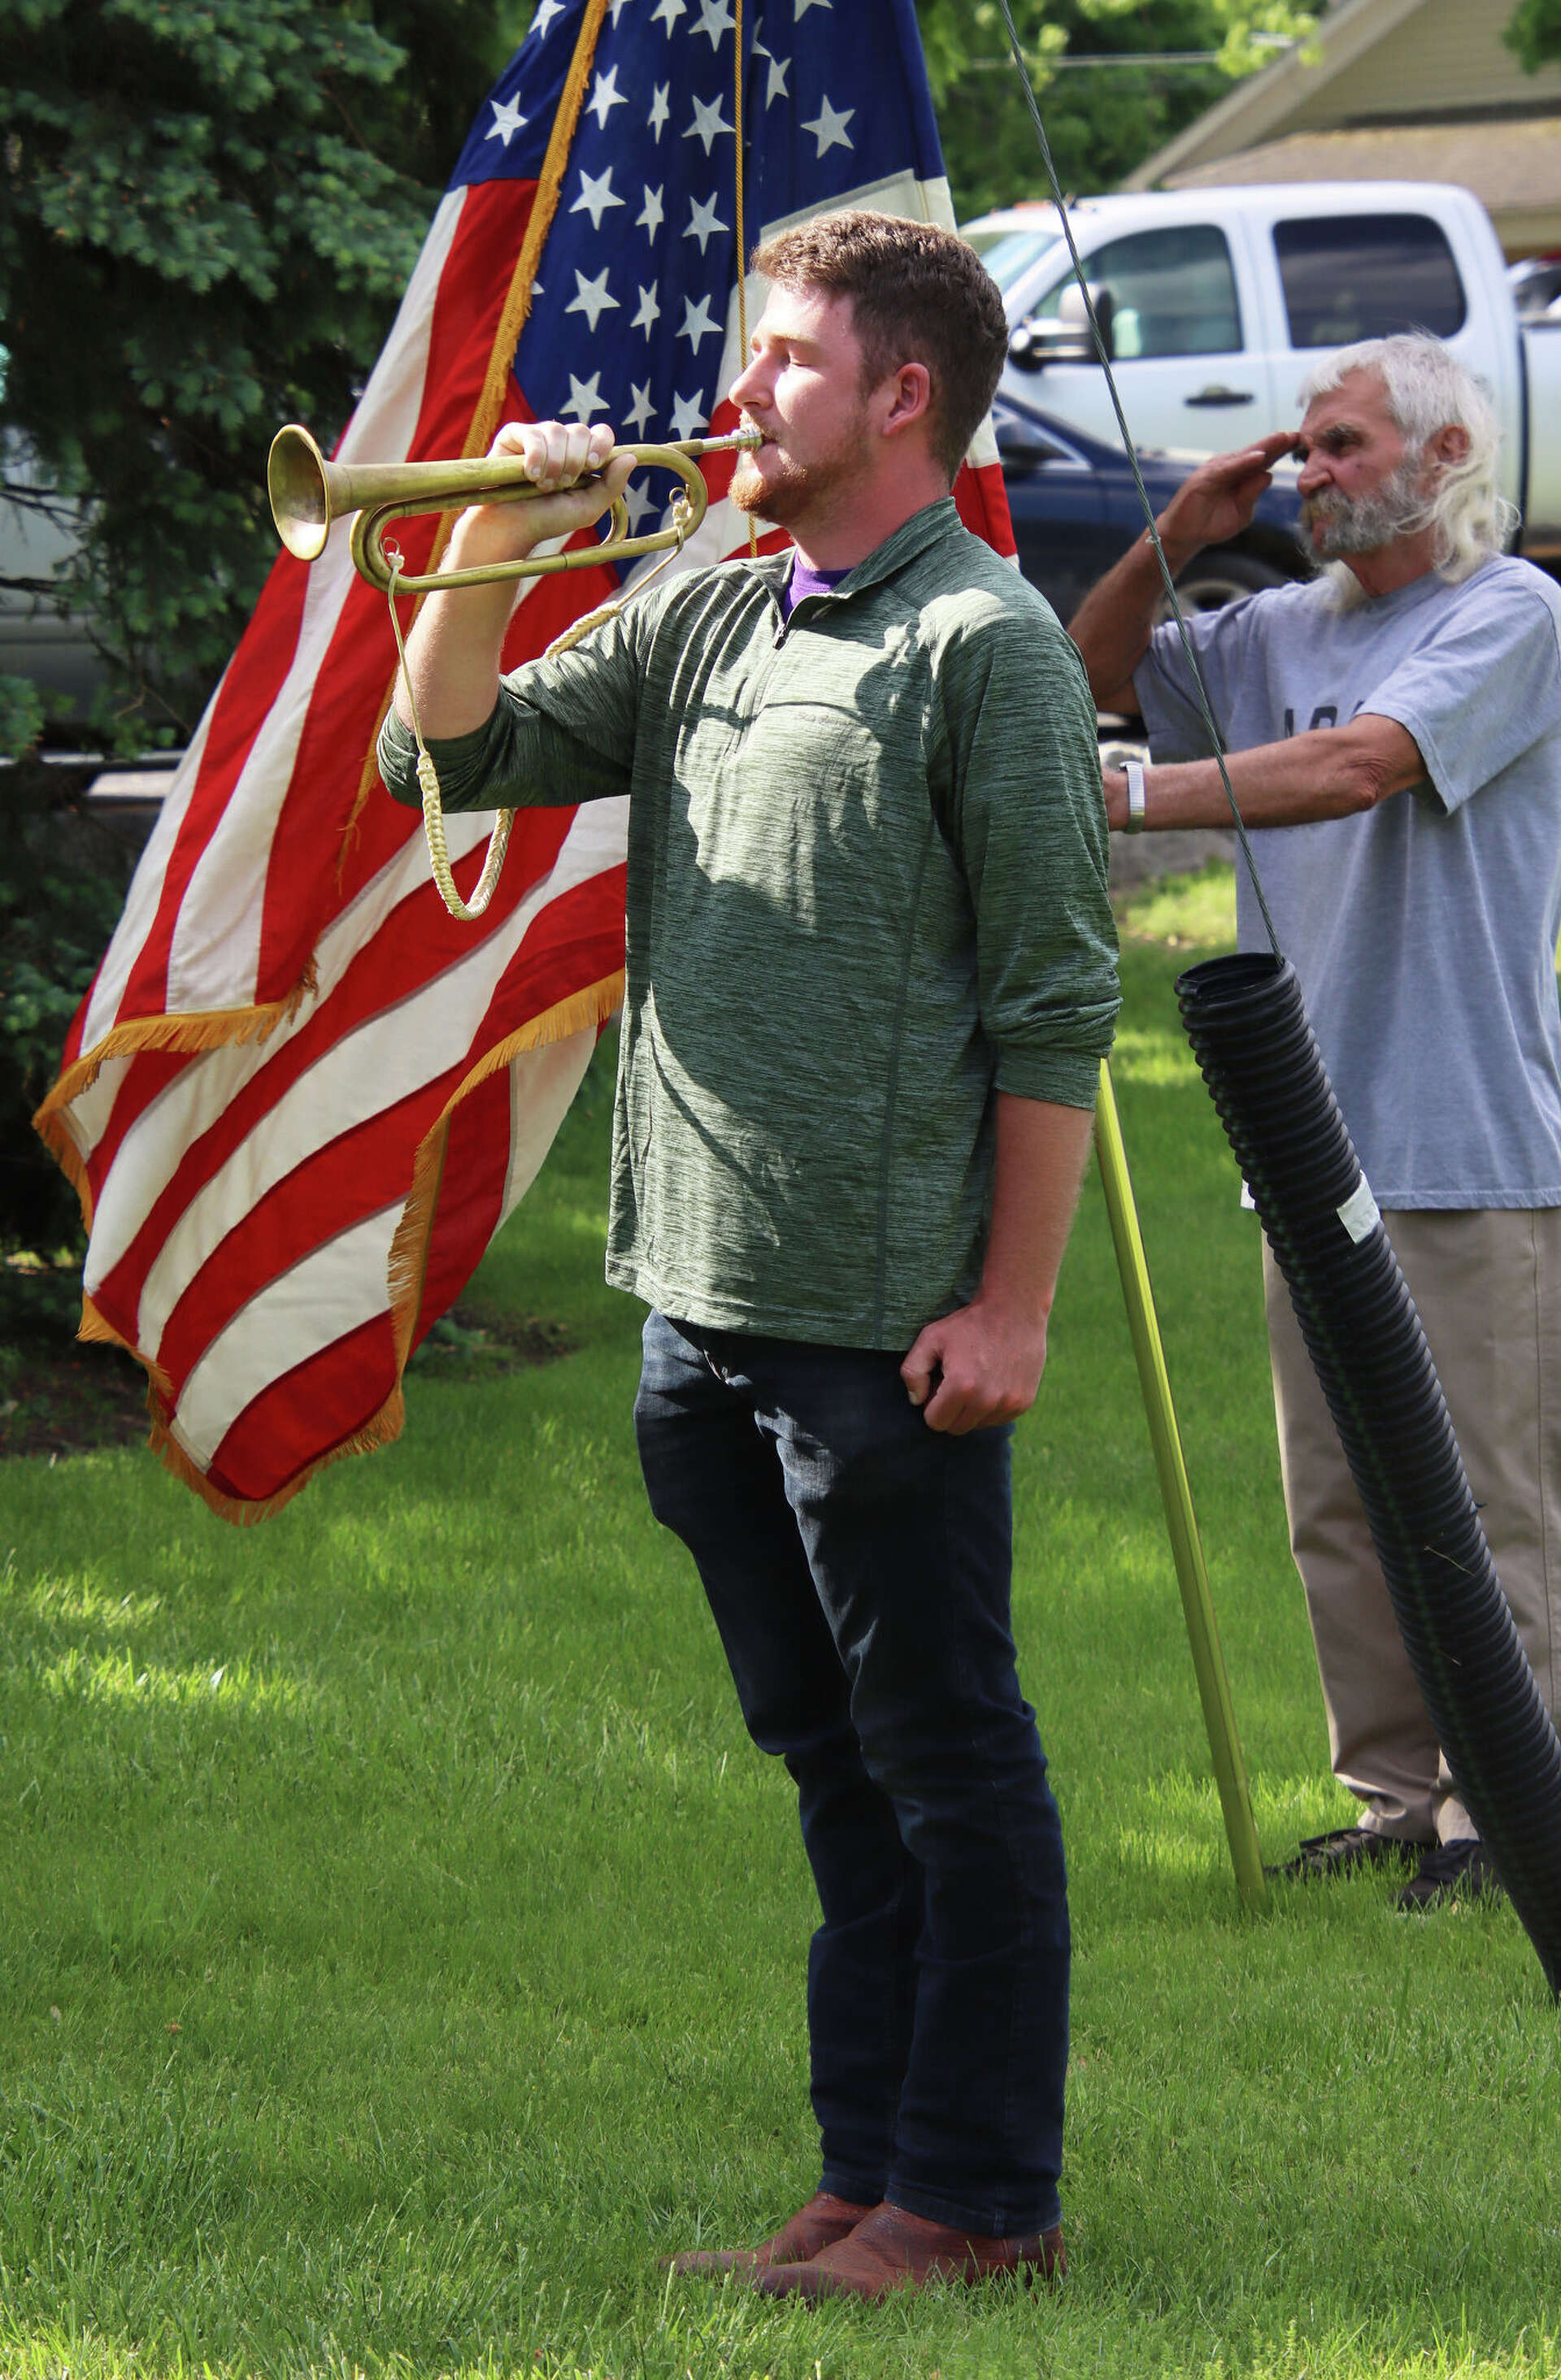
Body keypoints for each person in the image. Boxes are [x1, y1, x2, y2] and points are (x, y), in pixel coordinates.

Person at [377, 211, 1118, 2300]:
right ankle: (869, 2172)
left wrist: (1014, 1309)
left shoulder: (988, 644)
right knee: (833, 1765)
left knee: (947, 1762)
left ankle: (980, 2201)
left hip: (882, 1332)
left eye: (787, 356)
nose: (739, 391)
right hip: (697, 1313)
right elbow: (449, 754)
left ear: (905, 395)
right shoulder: (707, 602)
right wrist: (494, 539)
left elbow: (1060, 1006)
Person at [1069, 332, 1561, 1913]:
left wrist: (1129, 799)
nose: (1310, 471)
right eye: (1306, 445)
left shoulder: (1510, 613)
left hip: (1465, 1139)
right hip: (1304, 1142)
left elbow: (1360, 766)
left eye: (1344, 445)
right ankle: (1396, 1799)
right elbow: (1089, 676)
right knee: (1339, 1507)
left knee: (1486, 1504)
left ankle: (1503, 1815)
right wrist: (1172, 536)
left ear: (1444, 458)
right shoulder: (1279, 622)